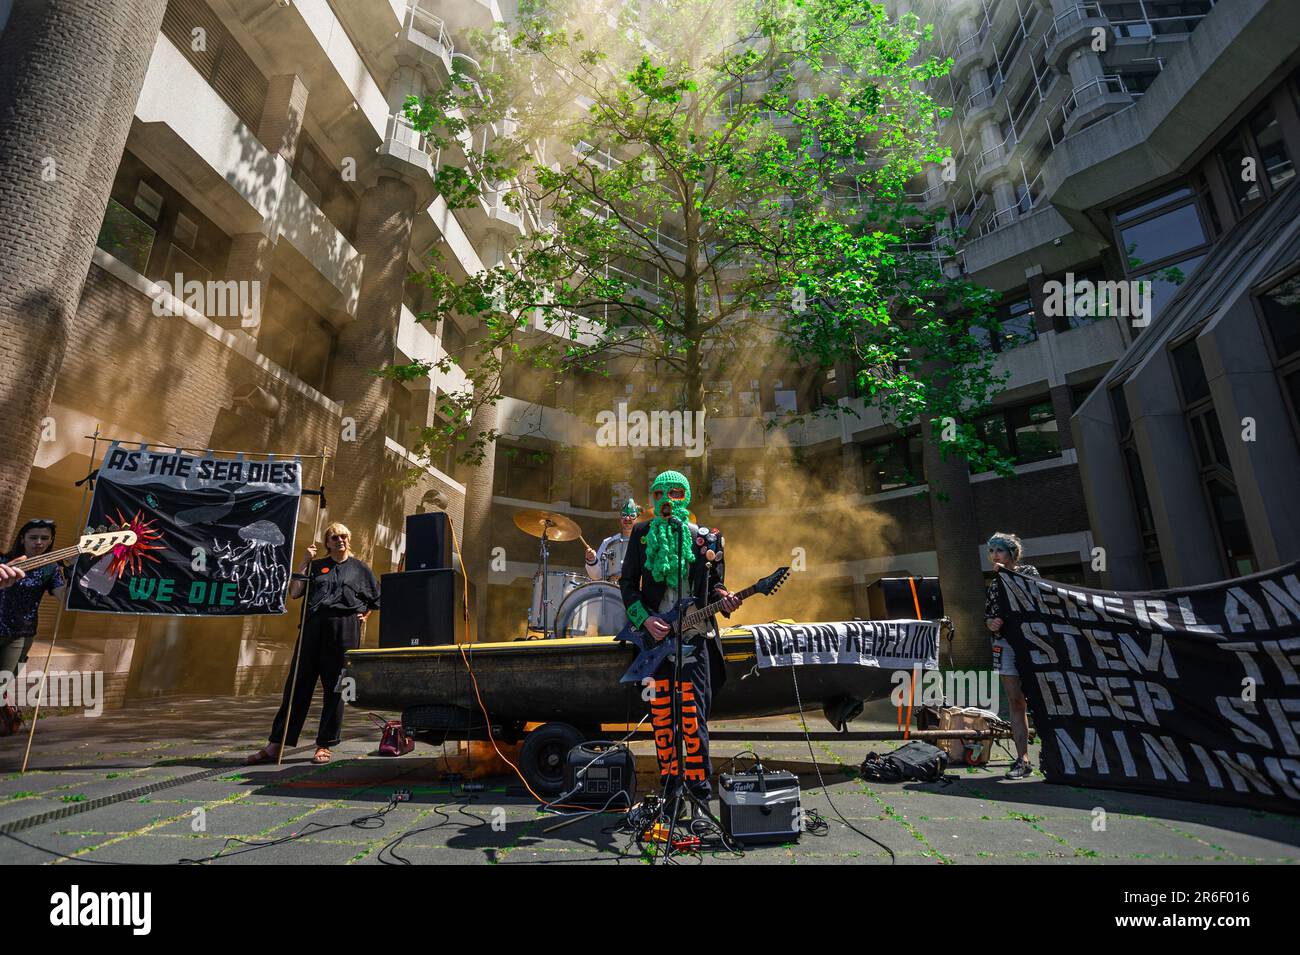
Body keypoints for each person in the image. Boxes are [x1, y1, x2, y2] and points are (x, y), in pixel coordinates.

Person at [618, 471, 741, 817]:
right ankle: (671, 794)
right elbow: (627, 584)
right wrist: (645, 619)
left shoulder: (707, 538)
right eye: (658, 493)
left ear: (686, 496)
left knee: (693, 719)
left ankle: (700, 800)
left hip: (694, 638)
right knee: (662, 719)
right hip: (655, 643)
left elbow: (717, 585)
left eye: (674, 492)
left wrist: (725, 597)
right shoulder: (641, 534)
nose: (666, 499)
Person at [246, 522, 380, 766]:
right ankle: (276, 744)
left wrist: (365, 614)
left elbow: (377, 599)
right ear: (327, 543)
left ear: (348, 540)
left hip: (344, 631)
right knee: (297, 686)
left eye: (343, 536)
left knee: (336, 689)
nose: (340, 540)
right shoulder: (316, 566)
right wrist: (304, 561)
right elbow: (295, 593)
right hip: (312, 629)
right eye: (334, 537)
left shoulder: (360, 569)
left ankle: (325, 744)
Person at [984, 532, 1039, 779]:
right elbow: (989, 614)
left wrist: (1003, 573)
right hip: (1005, 643)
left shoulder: (1028, 572)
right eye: (992, 550)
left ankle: (1052, 754)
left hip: (1031, 643)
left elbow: (1032, 595)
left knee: (1041, 701)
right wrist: (990, 623)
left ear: (1012, 554)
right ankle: (1023, 758)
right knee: (1015, 701)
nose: (995, 555)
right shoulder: (994, 583)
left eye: (1000, 550)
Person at [0, 520, 68, 712]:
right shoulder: (4, 561)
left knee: (2, 683)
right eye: (33, 537)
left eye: (44, 538)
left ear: (51, 541)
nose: (38, 542)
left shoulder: (50, 568)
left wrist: (74, 575)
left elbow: (63, 596)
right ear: (22, 538)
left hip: (21, 634)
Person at [584, 498, 639, 581]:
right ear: (620, 519)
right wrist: (592, 560)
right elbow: (596, 575)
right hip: (614, 589)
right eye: (624, 515)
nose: (627, 518)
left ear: (638, 518)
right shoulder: (609, 542)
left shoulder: (645, 541)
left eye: (632, 515)